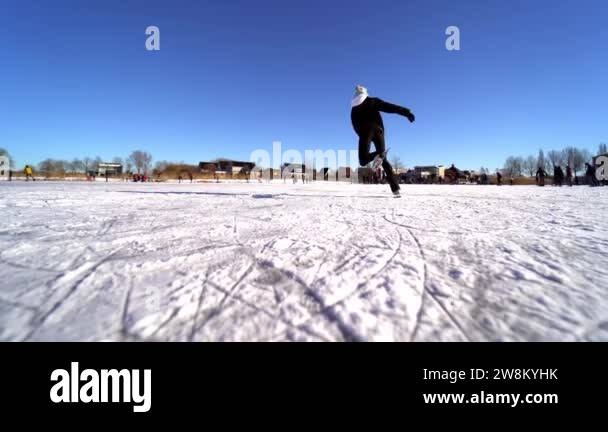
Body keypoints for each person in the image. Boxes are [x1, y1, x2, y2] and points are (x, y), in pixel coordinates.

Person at [350, 85, 415, 197]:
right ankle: (395, 189)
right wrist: (406, 112)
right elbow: (389, 107)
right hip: (379, 131)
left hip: (365, 132)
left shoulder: (354, 109)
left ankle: (379, 154)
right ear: (365, 93)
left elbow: (355, 125)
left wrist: (362, 137)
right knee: (383, 160)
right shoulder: (372, 101)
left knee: (363, 159)